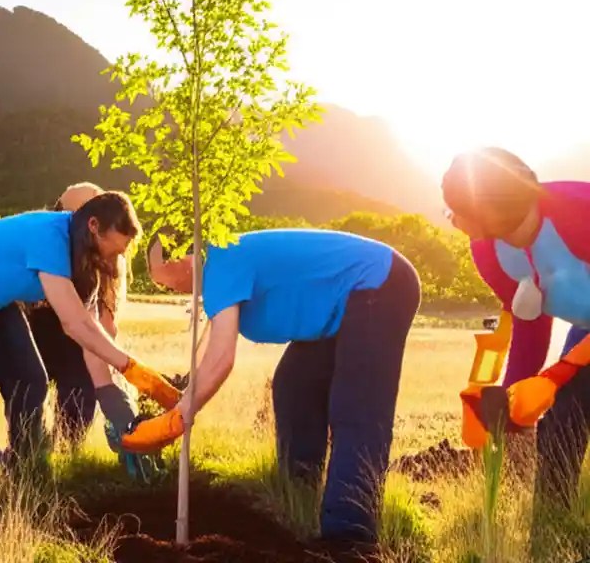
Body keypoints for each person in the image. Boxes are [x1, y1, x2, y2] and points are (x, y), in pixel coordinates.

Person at [125, 227, 421, 547]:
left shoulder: (221, 261)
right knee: (294, 386)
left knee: (356, 408)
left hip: (379, 282)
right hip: (340, 309)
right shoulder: (221, 269)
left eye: (159, 275)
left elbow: (222, 358)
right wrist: (180, 394)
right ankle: (298, 492)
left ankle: (349, 536)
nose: (161, 284)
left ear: (183, 256)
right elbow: (210, 347)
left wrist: (179, 418)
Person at [0, 190, 178, 485]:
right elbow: (74, 325)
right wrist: (135, 370)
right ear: (93, 225)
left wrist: (117, 403)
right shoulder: (51, 238)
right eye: (114, 250)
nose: (115, 259)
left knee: (30, 379)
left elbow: (90, 334)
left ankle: (28, 469)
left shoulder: (86, 260)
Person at [441, 147, 590, 510]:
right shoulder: (488, 252)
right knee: (563, 417)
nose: (452, 219)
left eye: (458, 210)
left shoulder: (577, 210)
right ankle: (552, 520)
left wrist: (560, 371)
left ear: (490, 207)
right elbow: (530, 320)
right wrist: (510, 398)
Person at [26, 182, 139, 445]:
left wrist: (112, 391)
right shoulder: (49, 242)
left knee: (79, 396)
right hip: (36, 329)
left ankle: (67, 454)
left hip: (80, 339)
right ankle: (30, 453)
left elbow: (104, 325)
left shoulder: (108, 261)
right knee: (28, 387)